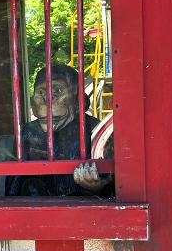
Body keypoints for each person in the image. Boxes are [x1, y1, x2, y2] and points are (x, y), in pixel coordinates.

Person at [7, 63, 113, 197]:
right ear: (33, 104)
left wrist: (97, 188)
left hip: (82, 210)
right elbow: (13, 186)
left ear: (78, 102)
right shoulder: (26, 132)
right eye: (41, 92)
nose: (48, 101)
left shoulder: (96, 130)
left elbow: (116, 188)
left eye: (57, 90)